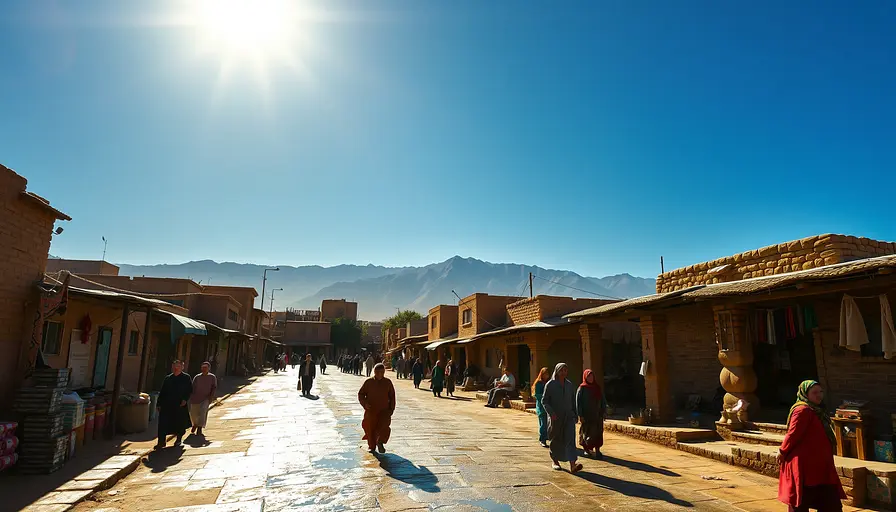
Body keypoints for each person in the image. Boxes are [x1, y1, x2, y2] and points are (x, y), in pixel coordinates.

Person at [777, 380, 845, 512]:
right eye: (814, 393)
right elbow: (793, 434)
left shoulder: (818, 410)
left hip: (818, 463)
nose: (819, 395)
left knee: (829, 500)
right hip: (805, 464)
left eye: (821, 392)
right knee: (802, 499)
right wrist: (782, 451)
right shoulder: (802, 410)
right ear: (805, 394)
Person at [542, 363, 582, 473]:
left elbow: (572, 401)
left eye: (565, 370)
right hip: (555, 418)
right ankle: (555, 461)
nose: (563, 373)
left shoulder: (569, 385)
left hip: (568, 417)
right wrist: (551, 413)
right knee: (556, 440)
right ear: (557, 371)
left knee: (570, 439)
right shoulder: (550, 384)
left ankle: (573, 464)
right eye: (561, 370)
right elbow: (544, 401)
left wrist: (575, 414)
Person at [358, 363, 396, 454]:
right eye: (378, 372)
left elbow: (392, 397)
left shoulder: (387, 382)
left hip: (384, 410)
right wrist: (365, 404)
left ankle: (380, 442)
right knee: (370, 427)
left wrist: (391, 409)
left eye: (382, 372)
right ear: (374, 372)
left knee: (384, 427)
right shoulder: (369, 382)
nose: (380, 374)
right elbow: (361, 394)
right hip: (371, 410)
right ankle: (372, 446)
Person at [155, 360, 192, 450]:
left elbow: (189, 389)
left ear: (182, 367)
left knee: (179, 423)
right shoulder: (168, 378)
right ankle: (161, 442)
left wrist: (185, 399)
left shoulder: (186, 378)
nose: (176, 368)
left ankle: (178, 439)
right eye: (175, 367)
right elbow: (163, 391)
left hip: (179, 405)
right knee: (163, 424)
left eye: (178, 366)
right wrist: (159, 403)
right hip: (167, 405)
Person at [576, 369, 607, 459]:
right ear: (585, 377)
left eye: (592, 376)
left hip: (597, 415)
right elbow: (578, 402)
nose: (591, 378)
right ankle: (586, 449)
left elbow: (602, 400)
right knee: (587, 432)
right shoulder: (582, 388)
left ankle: (597, 450)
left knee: (598, 432)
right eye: (588, 376)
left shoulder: (597, 387)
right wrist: (580, 415)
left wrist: (604, 411)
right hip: (587, 415)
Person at [189, 362, 217, 437]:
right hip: (195, 398)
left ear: (209, 368)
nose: (204, 369)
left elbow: (214, 387)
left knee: (203, 413)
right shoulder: (197, 377)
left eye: (205, 367)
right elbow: (192, 387)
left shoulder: (212, 377)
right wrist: (191, 396)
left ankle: (199, 428)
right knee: (193, 414)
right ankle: (195, 424)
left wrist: (211, 396)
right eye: (203, 367)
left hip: (205, 398)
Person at [533, 367, 551, 448]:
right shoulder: (539, 383)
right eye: (545, 374)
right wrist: (545, 397)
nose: (546, 376)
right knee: (543, 424)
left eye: (547, 374)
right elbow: (537, 395)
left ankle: (547, 437)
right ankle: (542, 439)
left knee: (548, 424)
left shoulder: (549, 383)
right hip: (541, 406)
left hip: (549, 406)